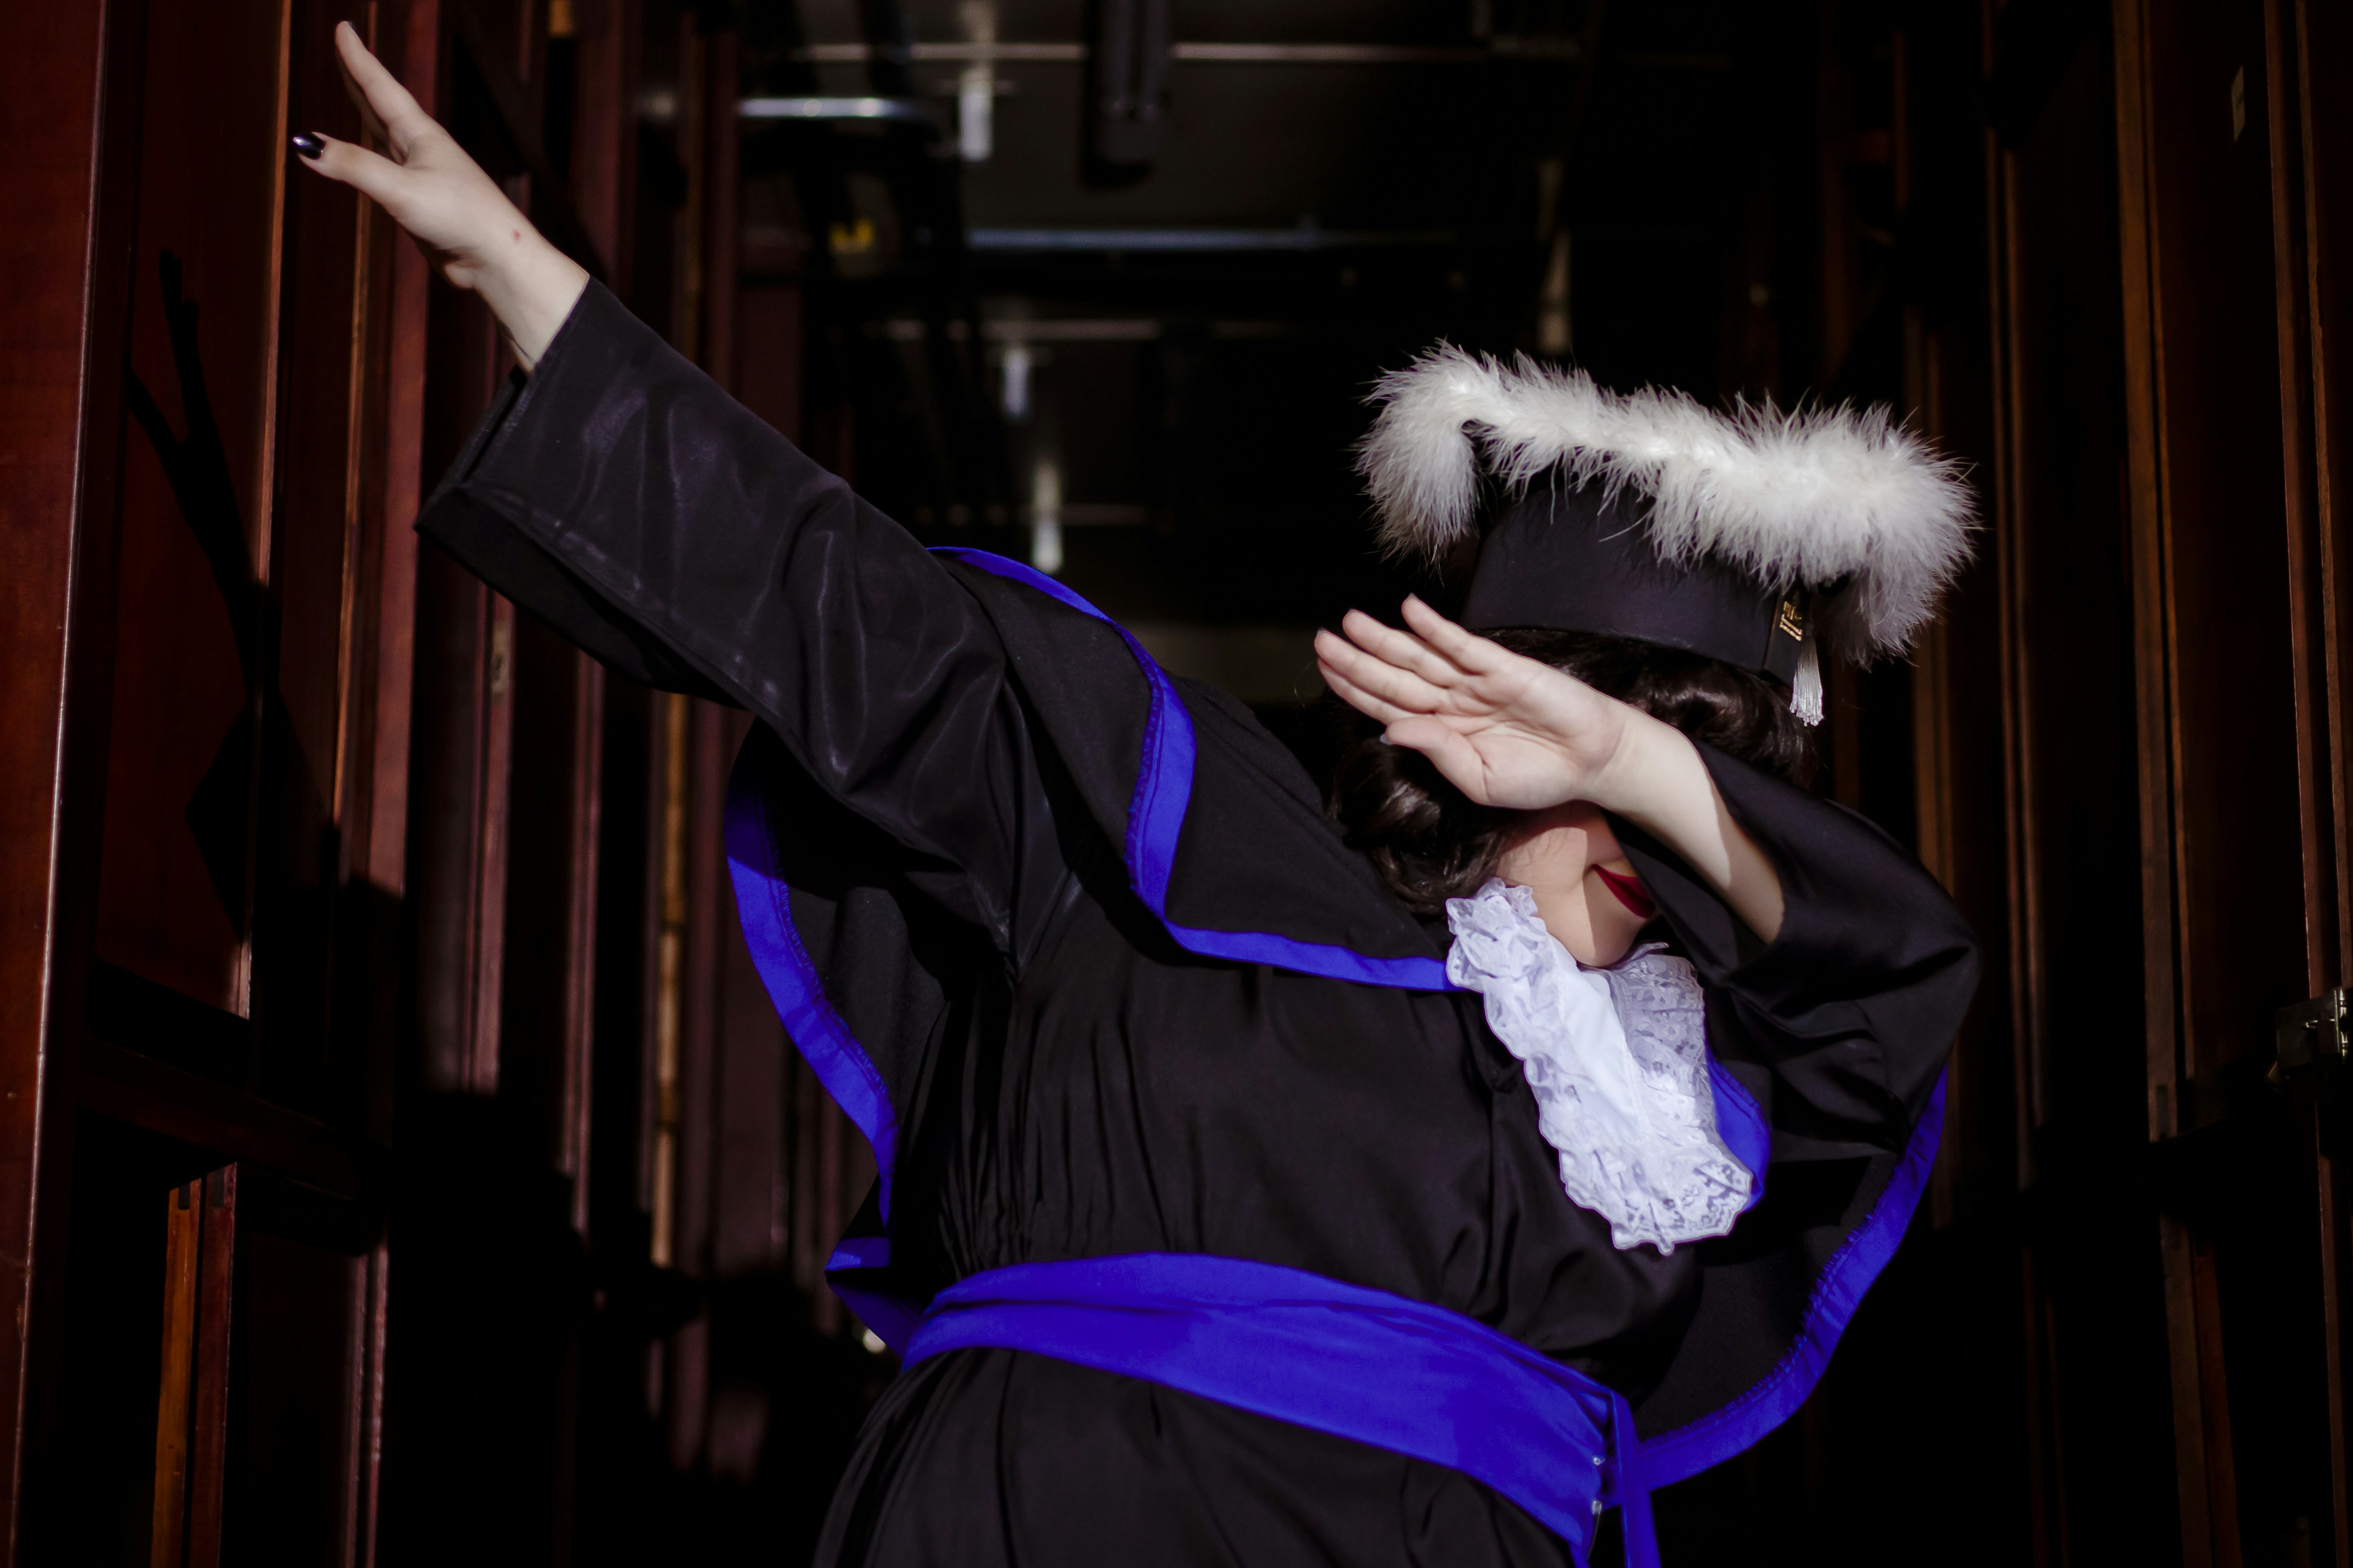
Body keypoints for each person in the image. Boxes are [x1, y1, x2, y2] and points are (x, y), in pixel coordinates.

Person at [297, 23, 1979, 1567]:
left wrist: (1629, 764)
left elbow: (1895, 978)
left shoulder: (1695, 1106)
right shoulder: (1186, 832)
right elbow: (854, 619)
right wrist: (527, 279)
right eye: (1587, 736)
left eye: (1697, 788)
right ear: (1472, 724)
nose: (1640, 843)